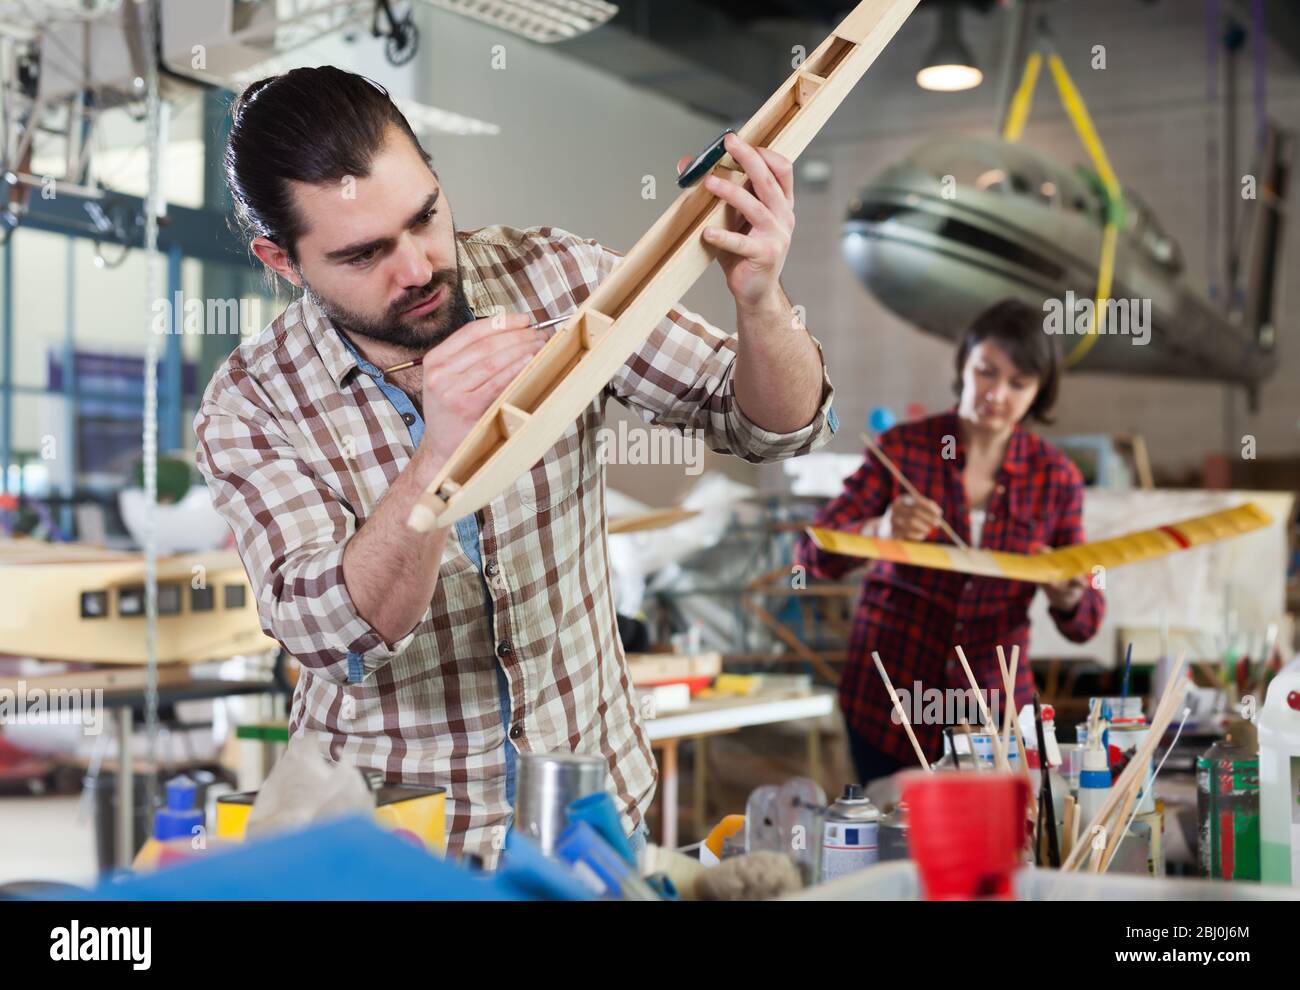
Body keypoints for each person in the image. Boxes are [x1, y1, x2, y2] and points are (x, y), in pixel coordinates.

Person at [194, 66, 838, 863]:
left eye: (425, 216)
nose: (419, 268)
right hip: (397, 847)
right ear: (281, 260)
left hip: (593, 819)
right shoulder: (251, 403)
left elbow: (775, 429)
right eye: (364, 254)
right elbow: (332, 638)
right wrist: (439, 451)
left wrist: (762, 299)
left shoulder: (556, 279)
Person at [794, 299, 1103, 784]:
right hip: (889, 701)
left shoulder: (1056, 478)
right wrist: (879, 531)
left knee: (989, 852)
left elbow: (1086, 622)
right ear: (963, 364)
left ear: (1039, 393)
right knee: (892, 843)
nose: (997, 394)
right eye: (986, 372)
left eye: (1018, 384)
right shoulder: (904, 449)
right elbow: (809, 556)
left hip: (994, 715)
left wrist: (1069, 593)